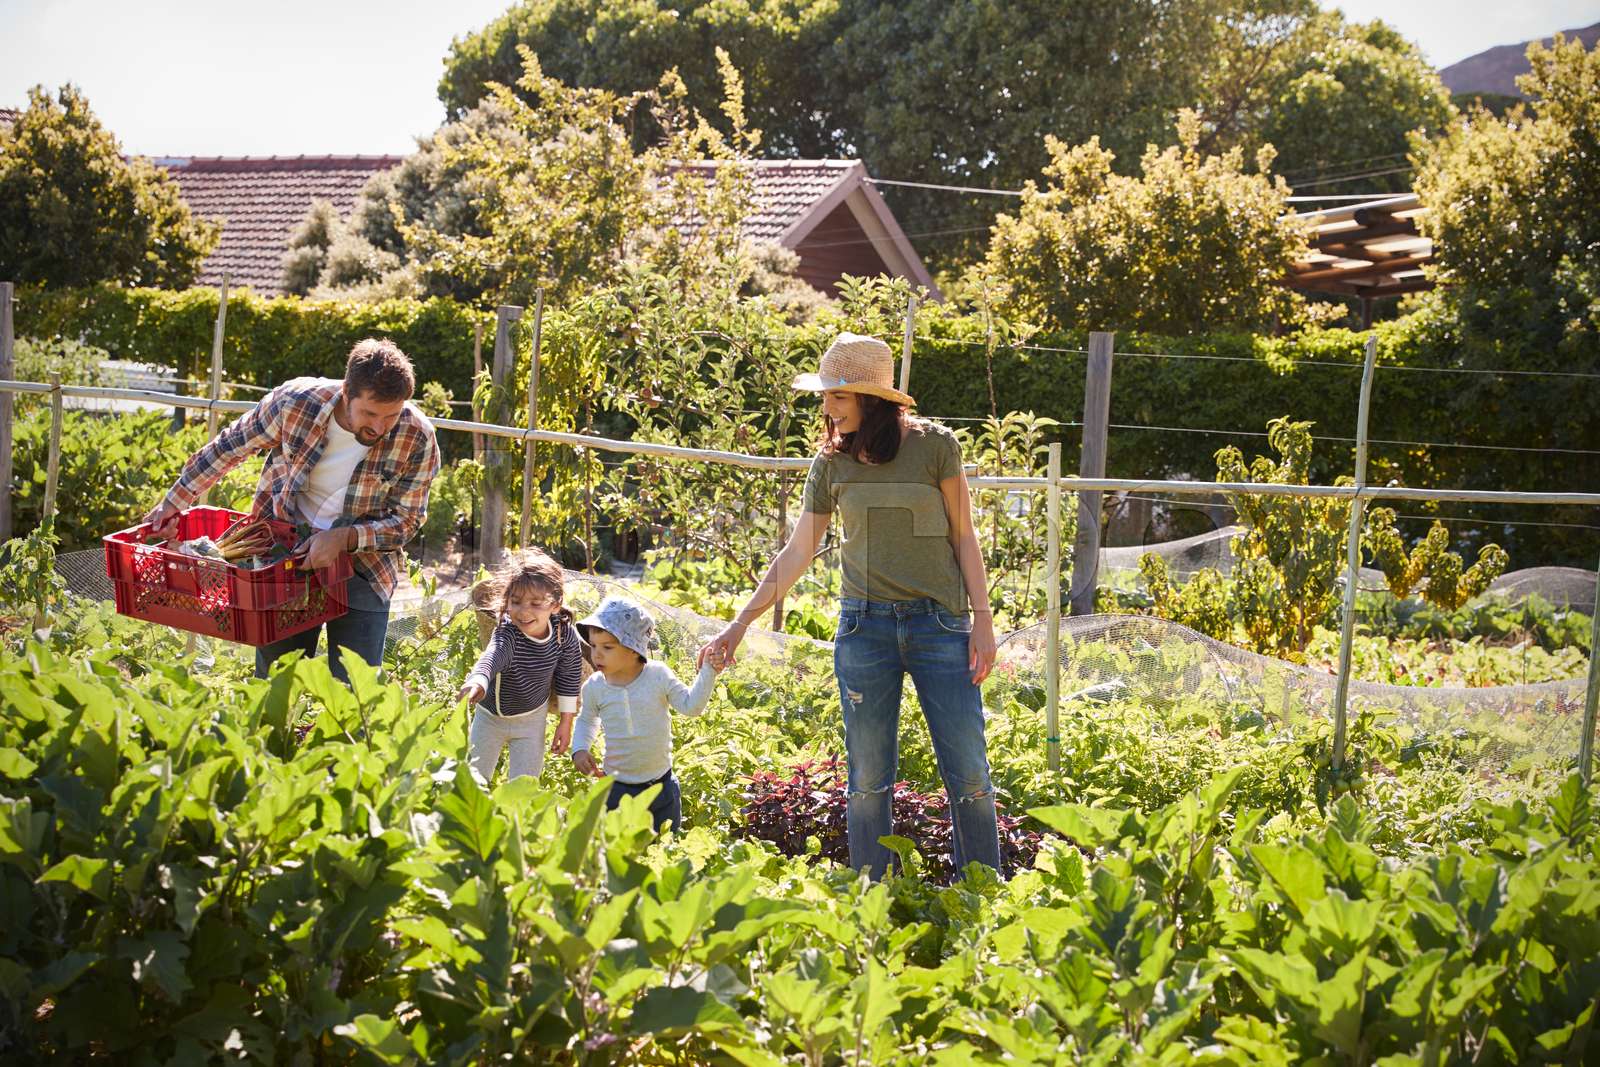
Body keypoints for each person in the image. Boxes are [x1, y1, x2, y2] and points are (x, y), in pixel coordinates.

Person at [698, 332, 1002, 879]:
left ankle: (980, 890)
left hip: (941, 628)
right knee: (866, 780)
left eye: (837, 397)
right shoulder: (831, 465)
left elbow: (966, 537)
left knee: (969, 774)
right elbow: (796, 552)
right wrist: (740, 623)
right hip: (865, 631)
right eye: (825, 397)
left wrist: (983, 621)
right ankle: (873, 892)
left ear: (870, 398)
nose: (827, 408)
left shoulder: (936, 447)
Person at [143, 339, 441, 682]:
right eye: (370, 414)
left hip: (365, 568)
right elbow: (231, 446)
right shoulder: (296, 403)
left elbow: (408, 520)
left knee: (356, 691)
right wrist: (173, 503)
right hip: (284, 561)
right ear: (346, 392)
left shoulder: (417, 436)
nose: (379, 427)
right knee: (277, 682)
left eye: (391, 415)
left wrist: (343, 539)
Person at [571, 596, 724, 832]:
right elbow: (587, 719)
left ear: (633, 649)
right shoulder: (594, 686)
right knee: (619, 853)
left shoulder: (657, 676)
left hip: (661, 787)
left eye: (607, 647)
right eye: (593, 646)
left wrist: (709, 671)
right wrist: (580, 748)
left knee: (664, 850)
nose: (596, 655)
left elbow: (691, 706)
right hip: (617, 789)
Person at [456, 549, 585, 783]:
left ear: (555, 605)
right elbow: (493, 655)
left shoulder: (563, 635)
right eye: (516, 602)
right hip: (490, 718)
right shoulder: (508, 632)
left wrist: (566, 722)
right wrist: (478, 680)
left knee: (524, 785)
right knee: (473, 780)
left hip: (531, 720)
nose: (524, 611)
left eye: (536, 603)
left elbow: (569, 679)